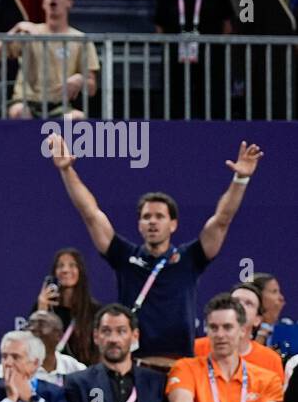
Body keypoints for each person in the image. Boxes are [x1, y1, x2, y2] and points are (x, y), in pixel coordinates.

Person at [49, 132, 263, 367]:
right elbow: (90, 214)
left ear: (173, 224)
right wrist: (66, 171)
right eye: (146, 217)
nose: (152, 221)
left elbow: (222, 219)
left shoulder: (190, 258)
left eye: (159, 216)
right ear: (139, 225)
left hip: (179, 369)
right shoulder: (124, 256)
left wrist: (240, 179)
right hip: (134, 368)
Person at [167, 294, 294, 402]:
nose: (220, 335)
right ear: (207, 330)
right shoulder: (186, 368)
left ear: (242, 330)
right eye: (213, 328)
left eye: (227, 327)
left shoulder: (265, 377)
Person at [0, 0, 98, 120]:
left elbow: (92, 88)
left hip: (59, 105)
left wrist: (81, 80)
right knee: (20, 113)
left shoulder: (81, 40)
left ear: (69, 3)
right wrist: (16, 29)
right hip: (25, 102)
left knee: (77, 118)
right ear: (43, 3)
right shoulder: (29, 32)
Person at [153, 0, 233, 120]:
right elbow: (160, 24)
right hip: (177, 57)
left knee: (210, 103)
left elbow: (227, 23)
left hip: (209, 57)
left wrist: (218, 49)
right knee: (175, 102)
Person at [192, 282, 284, 377]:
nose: (240, 306)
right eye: (235, 301)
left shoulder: (271, 360)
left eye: (248, 304)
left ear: (257, 320)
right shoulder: (195, 348)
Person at [32, 246, 99, 367]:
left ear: (80, 271)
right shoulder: (45, 306)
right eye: (60, 266)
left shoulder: (93, 310)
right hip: (50, 375)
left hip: (83, 377)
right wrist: (42, 310)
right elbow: (33, 345)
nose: (65, 270)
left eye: (72, 265)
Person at [0, 310, 85, 386]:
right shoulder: (9, 367)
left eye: (41, 324)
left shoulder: (74, 368)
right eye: (30, 324)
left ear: (59, 335)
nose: (33, 328)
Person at [250, 273, 287, 348]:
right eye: (274, 291)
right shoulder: (240, 331)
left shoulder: (288, 329)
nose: (281, 298)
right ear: (257, 296)